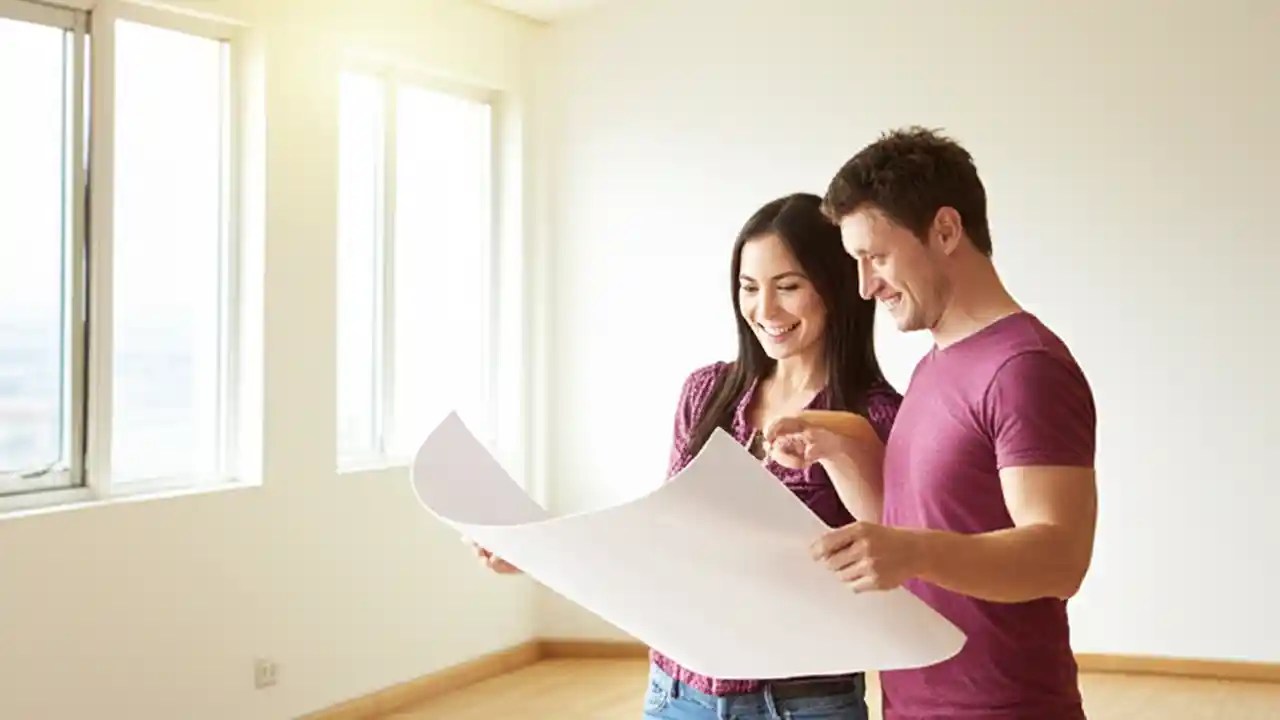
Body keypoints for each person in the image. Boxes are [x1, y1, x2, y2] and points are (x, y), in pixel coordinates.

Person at [472, 192, 902, 719]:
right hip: (678, 694)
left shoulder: (878, 415)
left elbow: (893, 543)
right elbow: (667, 539)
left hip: (801, 702)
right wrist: (541, 555)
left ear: (837, 288)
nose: (764, 311)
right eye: (748, 288)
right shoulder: (708, 392)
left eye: (788, 287)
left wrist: (836, 449)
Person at [767, 127, 1098, 720]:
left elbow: (1061, 558)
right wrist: (835, 450)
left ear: (946, 230)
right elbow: (901, 531)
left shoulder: (1025, 368)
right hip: (912, 705)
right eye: (857, 262)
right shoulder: (935, 365)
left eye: (877, 257)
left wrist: (915, 551)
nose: (866, 286)